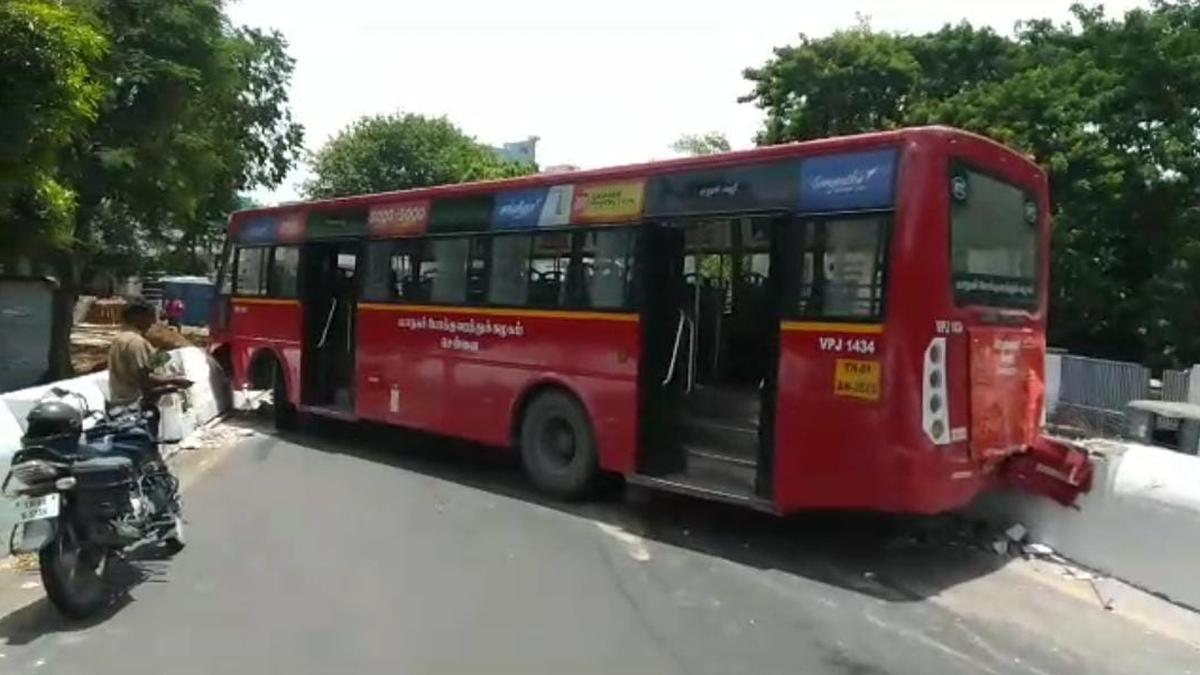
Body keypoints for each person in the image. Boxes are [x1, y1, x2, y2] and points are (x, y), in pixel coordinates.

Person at [107, 297, 193, 408]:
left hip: (121, 400)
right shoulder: (136, 342)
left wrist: (163, 355)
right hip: (135, 406)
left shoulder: (120, 337)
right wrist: (175, 381)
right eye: (150, 316)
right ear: (137, 316)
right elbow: (145, 380)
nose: (152, 322)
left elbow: (139, 368)